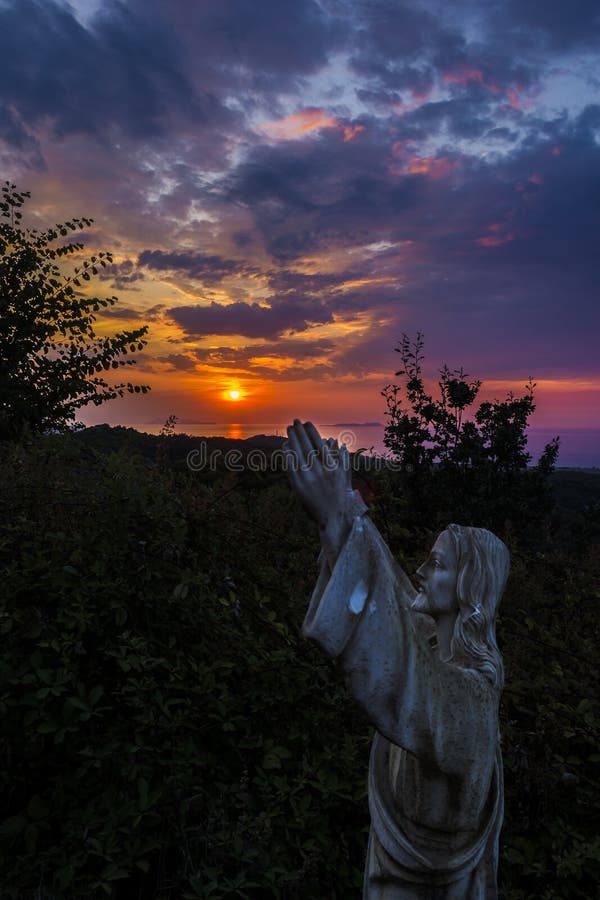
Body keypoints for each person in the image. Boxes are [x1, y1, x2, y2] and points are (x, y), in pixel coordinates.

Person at [284, 420, 509, 899]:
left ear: (468, 589)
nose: (424, 572)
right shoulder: (430, 640)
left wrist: (340, 522)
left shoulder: (471, 698)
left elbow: (405, 682)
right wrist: (345, 510)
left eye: (440, 564)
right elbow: (393, 599)